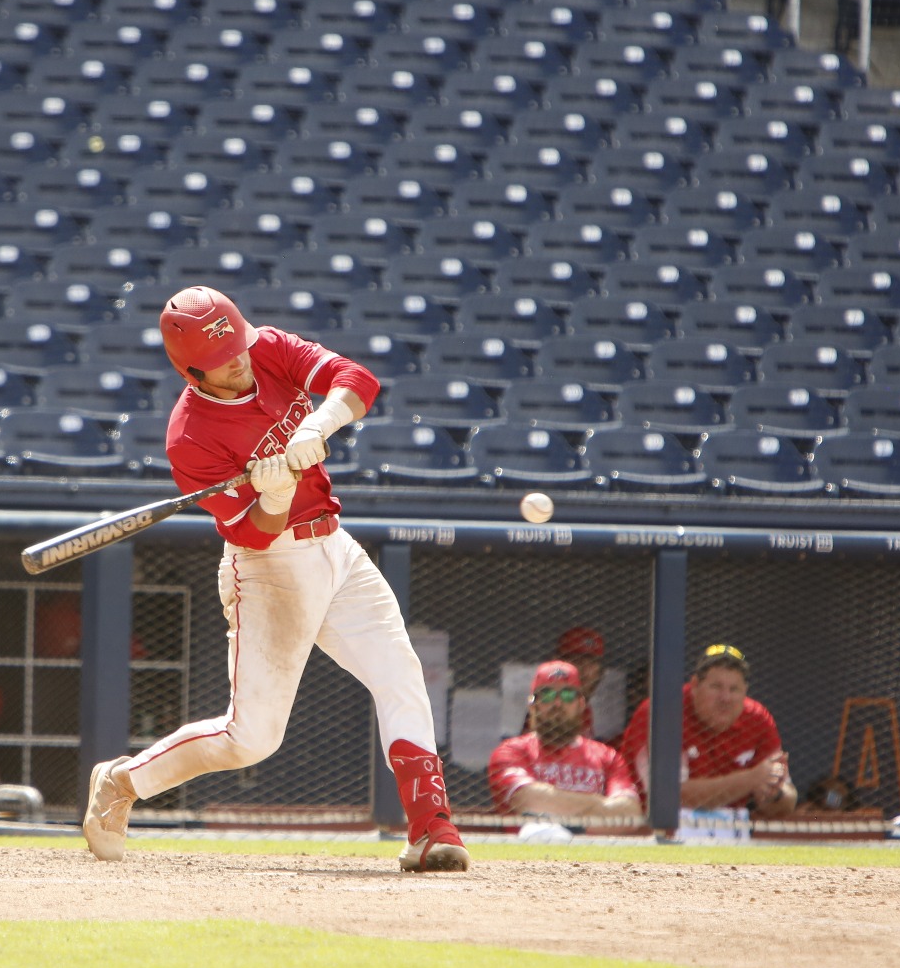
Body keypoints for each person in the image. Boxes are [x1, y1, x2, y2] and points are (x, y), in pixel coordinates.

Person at [79, 286, 469, 871]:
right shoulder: (190, 438)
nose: (240, 359)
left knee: (401, 676)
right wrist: (276, 491)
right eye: (223, 358)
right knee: (250, 739)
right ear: (190, 369)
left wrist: (318, 424)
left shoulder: (265, 348)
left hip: (336, 546)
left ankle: (431, 829)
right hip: (268, 568)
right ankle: (120, 781)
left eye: (238, 343)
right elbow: (252, 534)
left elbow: (355, 378)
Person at [618, 643, 797, 818]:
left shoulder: (757, 718)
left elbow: (787, 797)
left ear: (745, 691)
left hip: (731, 833)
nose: (725, 698)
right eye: (716, 687)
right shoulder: (662, 712)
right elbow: (667, 795)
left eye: (734, 689)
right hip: (653, 831)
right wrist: (750, 779)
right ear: (695, 685)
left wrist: (774, 793)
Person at [489, 660, 643, 841]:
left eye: (568, 695)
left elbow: (630, 813)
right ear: (533, 705)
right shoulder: (512, 751)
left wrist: (566, 817)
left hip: (595, 855)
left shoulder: (607, 757)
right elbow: (530, 800)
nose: (557, 703)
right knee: (540, 830)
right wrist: (600, 806)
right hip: (529, 859)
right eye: (547, 695)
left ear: (581, 704)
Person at [554, 624, 629, 743]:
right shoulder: (548, 708)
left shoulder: (585, 711)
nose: (583, 669)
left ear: (601, 672)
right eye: (576, 660)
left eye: (591, 662)